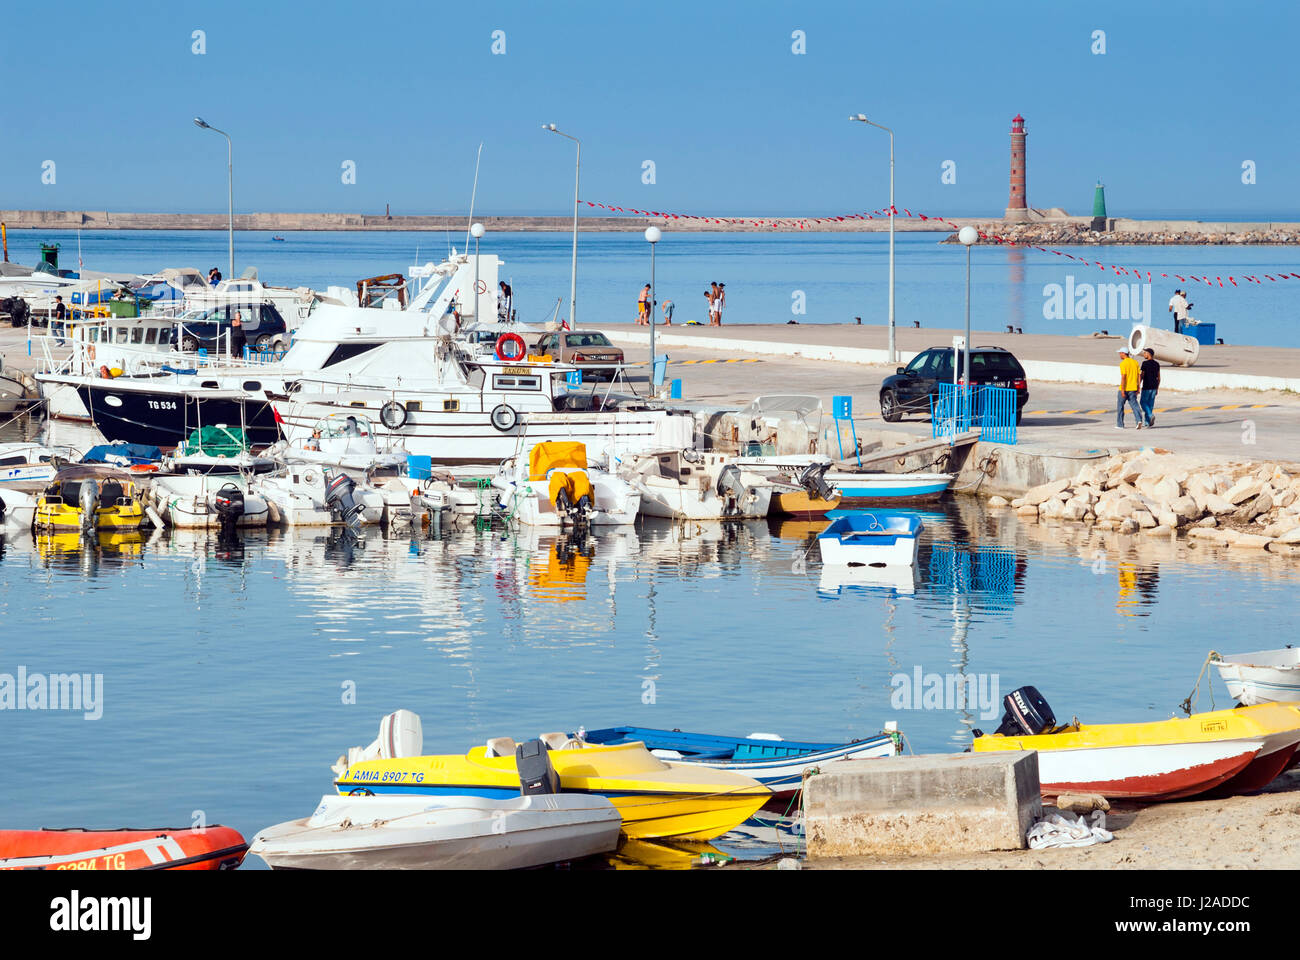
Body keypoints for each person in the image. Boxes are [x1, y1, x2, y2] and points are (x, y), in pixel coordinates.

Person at [1116, 348, 1144, 429]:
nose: (1119, 355)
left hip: (1124, 388)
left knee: (1120, 406)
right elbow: (1139, 376)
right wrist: (1139, 387)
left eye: (1120, 353)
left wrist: (1122, 390)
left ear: (1123, 353)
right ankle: (1139, 420)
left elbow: (1124, 377)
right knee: (1135, 405)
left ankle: (1120, 425)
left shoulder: (1123, 363)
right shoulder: (1135, 362)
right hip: (1133, 388)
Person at [1138, 348, 1161, 427]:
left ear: (1148, 354)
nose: (1144, 355)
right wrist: (1157, 388)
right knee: (1150, 404)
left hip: (1147, 386)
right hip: (1154, 387)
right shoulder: (1157, 364)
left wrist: (1138, 385)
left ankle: (1150, 415)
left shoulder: (1145, 363)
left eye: (1145, 353)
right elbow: (1159, 377)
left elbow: (1142, 375)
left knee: (1143, 402)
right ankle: (1148, 423)